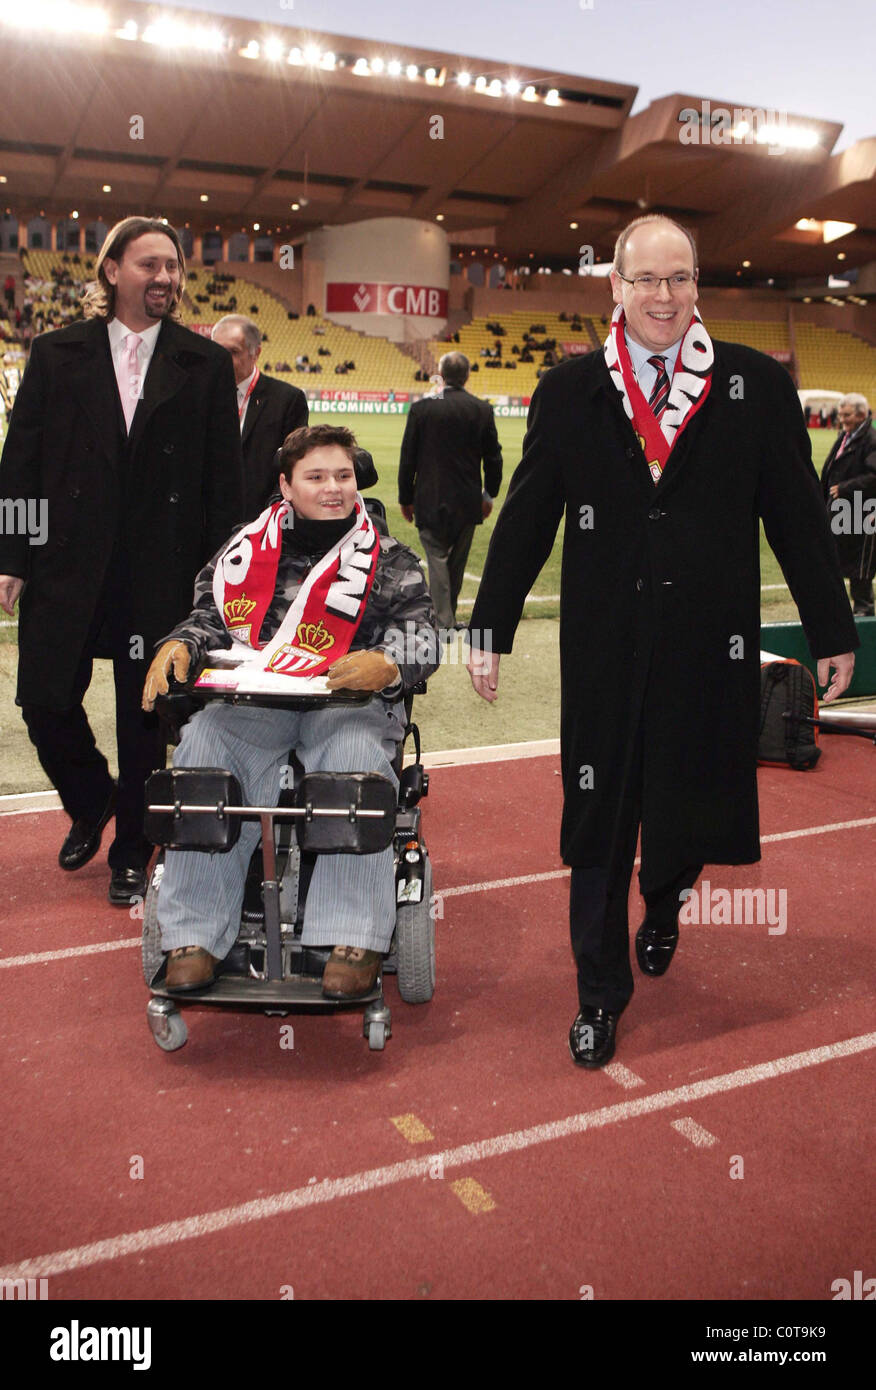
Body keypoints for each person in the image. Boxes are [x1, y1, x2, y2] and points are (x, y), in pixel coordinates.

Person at [466, 214, 857, 1069]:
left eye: (679, 279)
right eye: (646, 280)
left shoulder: (754, 384)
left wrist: (831, 626)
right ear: (615, 286)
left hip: (708, 645)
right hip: (605, 649)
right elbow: (530, 517)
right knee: (599, 818)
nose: (664, 296)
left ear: (696, 287)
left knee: (686, 808)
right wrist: (488, 623)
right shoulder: (570, 391)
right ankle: (598, 994)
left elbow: (796, 514)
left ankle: (669, 896)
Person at [141, 424, 439, 998]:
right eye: (317, 477)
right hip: (255, 702)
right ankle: (195, 935)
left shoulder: (389, 557)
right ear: (286, 484)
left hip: (346, 704)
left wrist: (388, 660)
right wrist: (179, 643)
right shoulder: (243, 551)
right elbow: (210, 620)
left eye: (344, 476)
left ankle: (352, 937)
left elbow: (425, 635)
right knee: (202, 748)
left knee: (352, 760)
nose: (334, 488)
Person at [0, 216, 243, 906]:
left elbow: (220, 483)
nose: (165, 278)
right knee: (44, 700)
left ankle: (133, 849)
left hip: (159, 570)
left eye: (173, 267)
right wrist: (12, 554)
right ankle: (92, 799)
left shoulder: (203, 364)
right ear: (112, 271)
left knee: (145, 719)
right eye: (149, 265)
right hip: (65, 562)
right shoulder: (54, 354)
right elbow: (20, 465)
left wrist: (216, 578)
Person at [398, 351, 503, 631]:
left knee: (437, 560)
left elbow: (408, 457)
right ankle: (446, 619)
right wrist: (489, 494)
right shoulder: (481, 409)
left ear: (441, 375)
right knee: (455, 563)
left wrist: (405, 498)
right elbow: (494, 458)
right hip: (468, 502)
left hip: (429, 499)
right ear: (467, 376)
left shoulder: (423, 409)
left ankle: (443, 622)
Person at [211, 313, 308, 517]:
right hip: (208, 521)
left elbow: (292, 467)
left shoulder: (287, 400)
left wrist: (271, 518)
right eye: (217, 351)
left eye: (233, 352)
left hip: (261, 521)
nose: (222, 359)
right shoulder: (199, 395)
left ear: (256, 353)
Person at [821, 393, 876, 616]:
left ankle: (864, 609)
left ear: (862, 414)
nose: (841, 419)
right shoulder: (847, 435)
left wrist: (845, 488)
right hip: (841, 508)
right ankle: (840, 609)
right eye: (840, 414)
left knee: (860, 563)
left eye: (846, 415)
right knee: (833, 556)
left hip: (862, 510)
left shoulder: (871, 440)